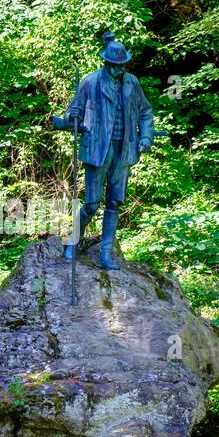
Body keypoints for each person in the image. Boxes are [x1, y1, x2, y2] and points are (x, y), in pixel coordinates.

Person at [51, 33, 154, 270]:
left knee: (115, 202)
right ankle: (72, 242)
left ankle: (106, 255)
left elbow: (145, 112)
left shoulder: (132, 82)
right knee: (91, 203)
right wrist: (72, 117)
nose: (120, 71)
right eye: (116, 67)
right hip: (98, 149)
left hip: (124, 148)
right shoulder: (90, 82)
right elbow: (72, 112)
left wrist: (146, 135)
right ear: (107, 64)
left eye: (123, 66)